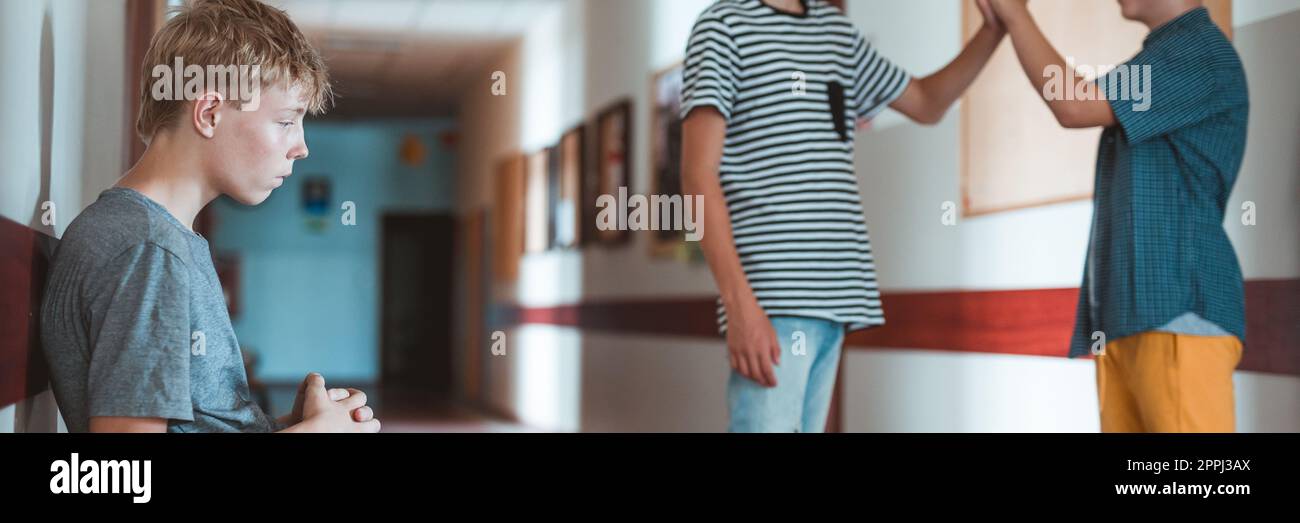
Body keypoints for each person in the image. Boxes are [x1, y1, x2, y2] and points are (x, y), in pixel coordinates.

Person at [40, 0, 379, 433]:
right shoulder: (146, 251)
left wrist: (288, 425)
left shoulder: (165, 241)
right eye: (286, 121)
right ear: (210, 113)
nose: (301, 146)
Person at [680, 0, 1006, 432]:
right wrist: (739, 307)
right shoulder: (723, 25)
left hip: (837, 297)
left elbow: (927, 103)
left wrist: (996, 29)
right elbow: (697, 176)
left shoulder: (835, 31)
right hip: (773, 299)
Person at [985, 0, 1249, 432]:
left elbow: (1073, 104)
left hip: (1178, 316)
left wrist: (1016, 14)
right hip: (1131, 320)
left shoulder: (1197, 52)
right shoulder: (1161, 57)